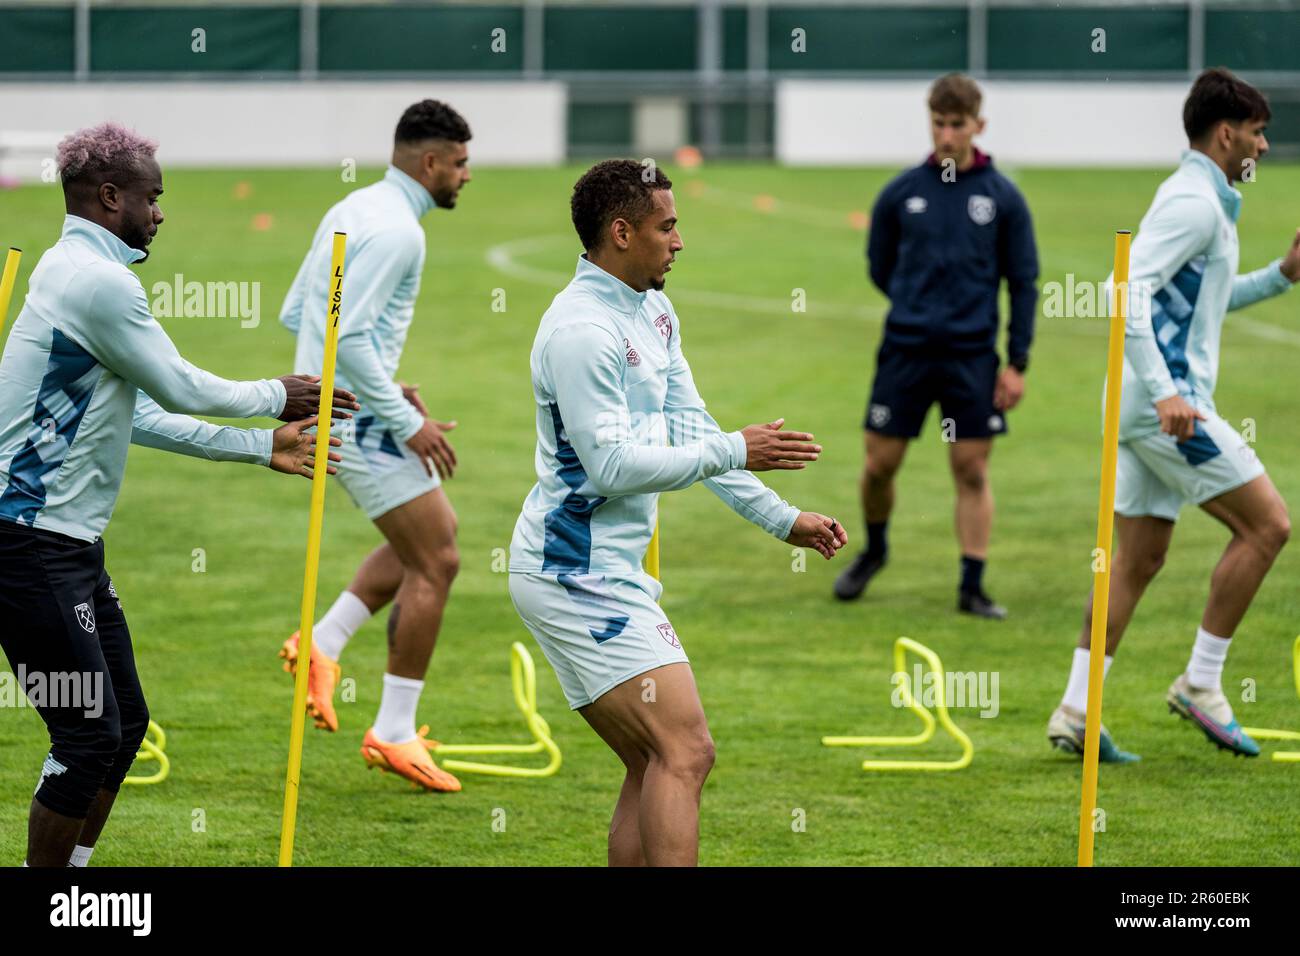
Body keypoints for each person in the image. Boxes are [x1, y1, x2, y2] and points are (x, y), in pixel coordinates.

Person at [0, 122, 353, 867]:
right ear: (109, 197)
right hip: (25, 544)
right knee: (88, 735)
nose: (160, 212)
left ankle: (72, 884)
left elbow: (141, 418)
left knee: (123, 724)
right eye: (152, 197)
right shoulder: (97, 284)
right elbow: (179, 384)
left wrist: (259, 446)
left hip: (68, 546)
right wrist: (275, 396)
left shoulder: (79, 272)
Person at [508, 159, 848, 866]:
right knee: (686, 750)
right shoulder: (581, 331)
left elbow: (695, 434)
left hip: (603, 571)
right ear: (622, 232)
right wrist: (733, 448)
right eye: (667, 226)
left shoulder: (654, 312)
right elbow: (612, 466)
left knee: (655, 759)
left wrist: (784, 519)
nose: (680, 240)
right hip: (576, 574)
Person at [1047, 68, 1299, 762]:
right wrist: (1164, 393)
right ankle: (1203, 683)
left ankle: (1076, 708)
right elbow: (1120, 289)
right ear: (1227, 134)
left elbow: (1203, 303)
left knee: (1140, 557)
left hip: (1143, 404)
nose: (1264, 146)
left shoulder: (1199, 196)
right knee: (1269, 526)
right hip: (1163, 409)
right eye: (1258, 132)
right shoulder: (1193, 203)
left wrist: (1282, 274)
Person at [277, 100, 472, 792]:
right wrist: (401, 417)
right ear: (429, 163)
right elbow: (348, 338)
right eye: (459, 163)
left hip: (337, 406)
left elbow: (297, 313)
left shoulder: (351, 208)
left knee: (424, 542)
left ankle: (321, 645)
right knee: (439, 558)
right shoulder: (401, 235)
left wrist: (388, 387)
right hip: (355, 417)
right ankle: (391, 732)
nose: (465, 176)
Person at [833, 73, 1039, 619]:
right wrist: (915, 304)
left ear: (979, 125)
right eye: (939, 123)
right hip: (905, 351)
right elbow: (880, 266)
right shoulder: (902, 193)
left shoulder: (1002, 198)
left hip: (972, 358)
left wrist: (1017, 362)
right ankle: (874, 551)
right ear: (931, 123)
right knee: (879, 465)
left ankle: (972, 586)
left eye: (958, 124)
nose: (947, 134)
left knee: (971, 469)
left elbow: (1023, 282)